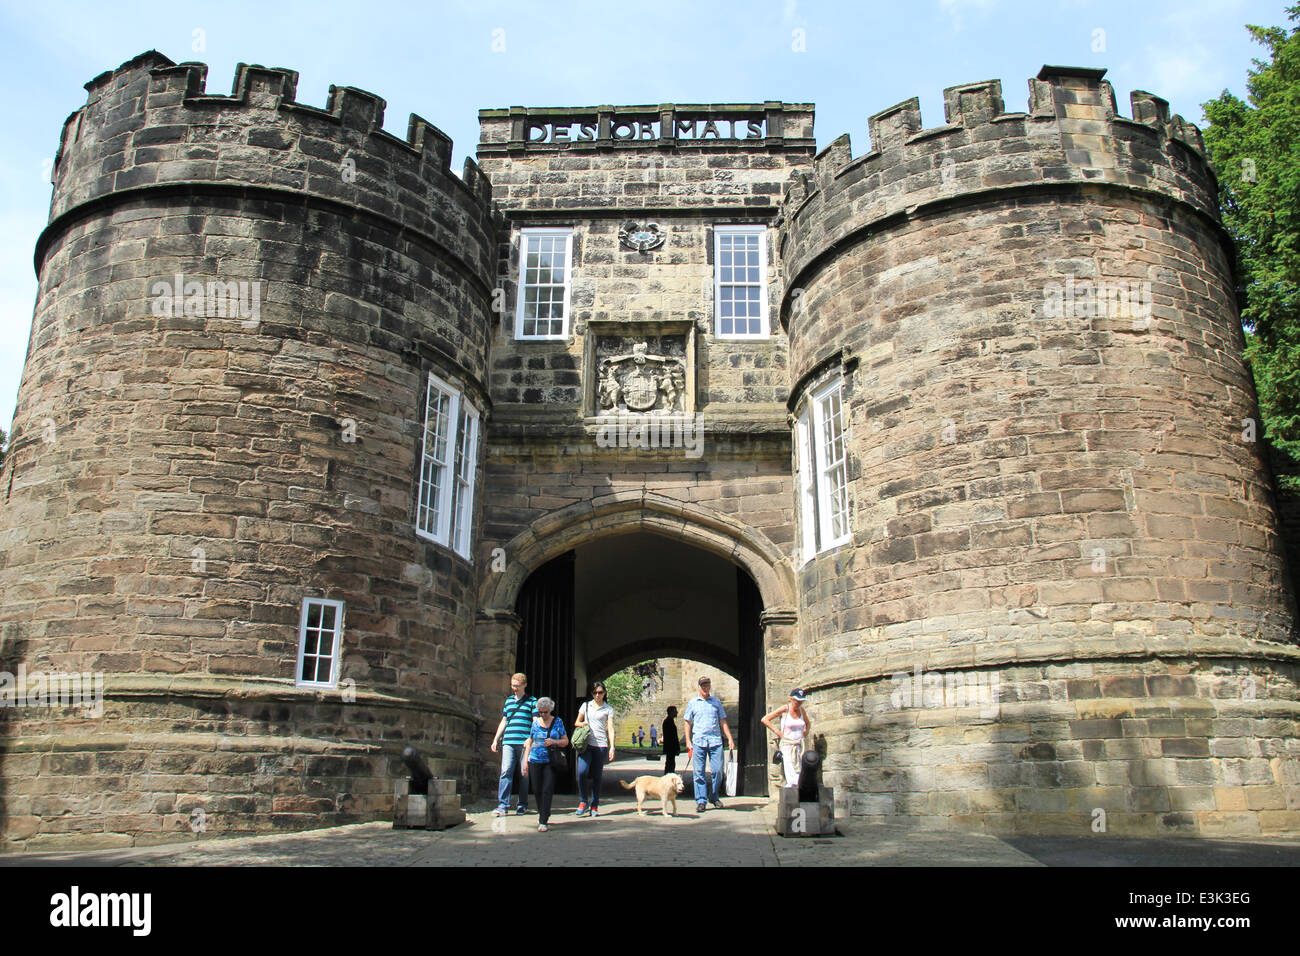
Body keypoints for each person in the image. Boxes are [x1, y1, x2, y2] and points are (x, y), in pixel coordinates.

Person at [682, 676, 735, 812]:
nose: (705, 688)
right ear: (699, 687)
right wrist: (688, 740)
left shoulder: (716, 702)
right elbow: (687, 722)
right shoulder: (693, 703)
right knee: (698, 772)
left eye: (707, 685)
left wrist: (729, 738)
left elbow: (722, 721)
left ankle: (713, 795)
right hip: (699, 741)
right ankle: (701, 800)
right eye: (703, 685)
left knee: (718, 771)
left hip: (715, 741)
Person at [490, 672, 537, 816]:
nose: (514, 688)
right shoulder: (509, 701)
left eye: (517, 686)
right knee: (505, 771)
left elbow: (535, 722)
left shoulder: (532, 701)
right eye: (512, 685)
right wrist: (496, 739)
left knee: (524, 773)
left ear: (524, 685)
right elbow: (504, 721)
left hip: (524, 743)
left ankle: (522, 804)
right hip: (508, 741)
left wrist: (531, 739)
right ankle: (503, 805)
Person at [522, 696, 568, 832]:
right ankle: (544, 812)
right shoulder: (535, 723)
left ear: (550, 710)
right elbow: (529, 741)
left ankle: (543, 821)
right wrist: (525, 761)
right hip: (534, 760)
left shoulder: (558, 722)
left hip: (550, 761)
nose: (542, 714)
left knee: (547, 789)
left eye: (545, 712)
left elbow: (566, 741)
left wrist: (554, 742)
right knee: (536, 790)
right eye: (540, 712)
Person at [574, 681, 616, 817]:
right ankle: (582, 801)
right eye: (595, 693)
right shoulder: (585, 706)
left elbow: (610, 728)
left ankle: (595, 805)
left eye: (600, 692)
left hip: (601, 745)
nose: (598, 695)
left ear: (604, 693)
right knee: (581, 771)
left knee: (597, 776)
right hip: (586, 744)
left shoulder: (608, 709)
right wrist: (583, 723)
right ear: (591, 693)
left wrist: (612, 747)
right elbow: (576, 722)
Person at [762, 688, 812, 788]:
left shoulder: (802, 711)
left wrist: (805, 732)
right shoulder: (785, 709)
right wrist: (778, 732)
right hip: (787, 746)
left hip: (799, 746)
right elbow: (765, 719)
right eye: (797, 701)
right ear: (791, 699)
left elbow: (807, 723)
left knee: (800, 770)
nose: (799, 704)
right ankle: (793, 793)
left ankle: (799, 794)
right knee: (792, 774)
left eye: (801, 701)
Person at [662, 706, 680, 774]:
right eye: (675, 711)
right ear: (671, 712)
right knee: (670, 764)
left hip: (670, 747)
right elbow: (671, 737)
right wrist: (676, 747)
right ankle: (668, 778)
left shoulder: (669, 721)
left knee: (670, 763)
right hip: (670, 747)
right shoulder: (668, 721)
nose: (677, 712)